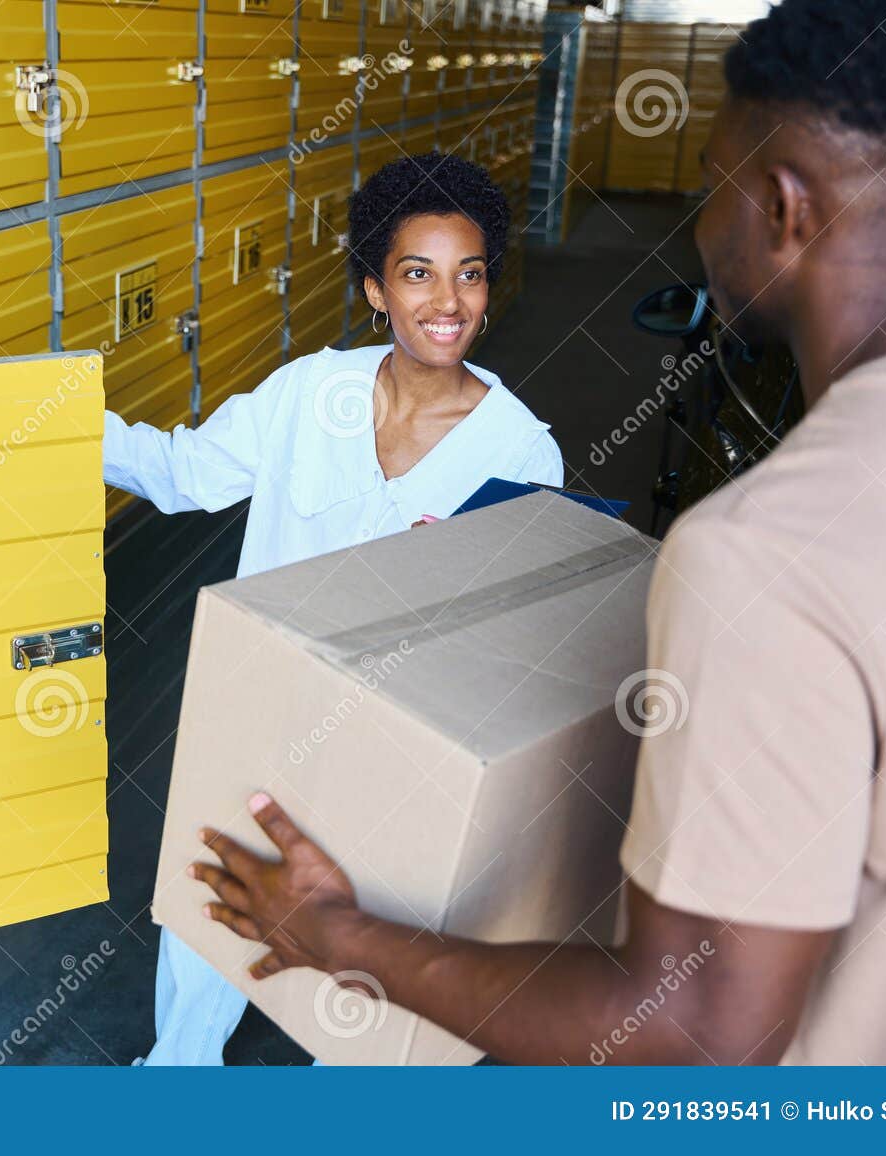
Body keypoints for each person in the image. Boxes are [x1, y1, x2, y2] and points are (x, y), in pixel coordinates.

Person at [190, 0, 886, 1064]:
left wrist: (333, 932)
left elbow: (695, 1028)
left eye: (710, 184)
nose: (702, 224)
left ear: (781, 205)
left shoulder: (765, 549)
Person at [104, 151, 564, 1064]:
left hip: (399, 748)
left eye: (469, 274)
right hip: (261, 713)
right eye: (417, 273)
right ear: (375, 291)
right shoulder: (308, 395)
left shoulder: (522, 453)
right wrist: (51, 418)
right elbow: (184, 473)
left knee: (367, 979)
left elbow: (510, 643)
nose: (448, 301)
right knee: (209, 918)